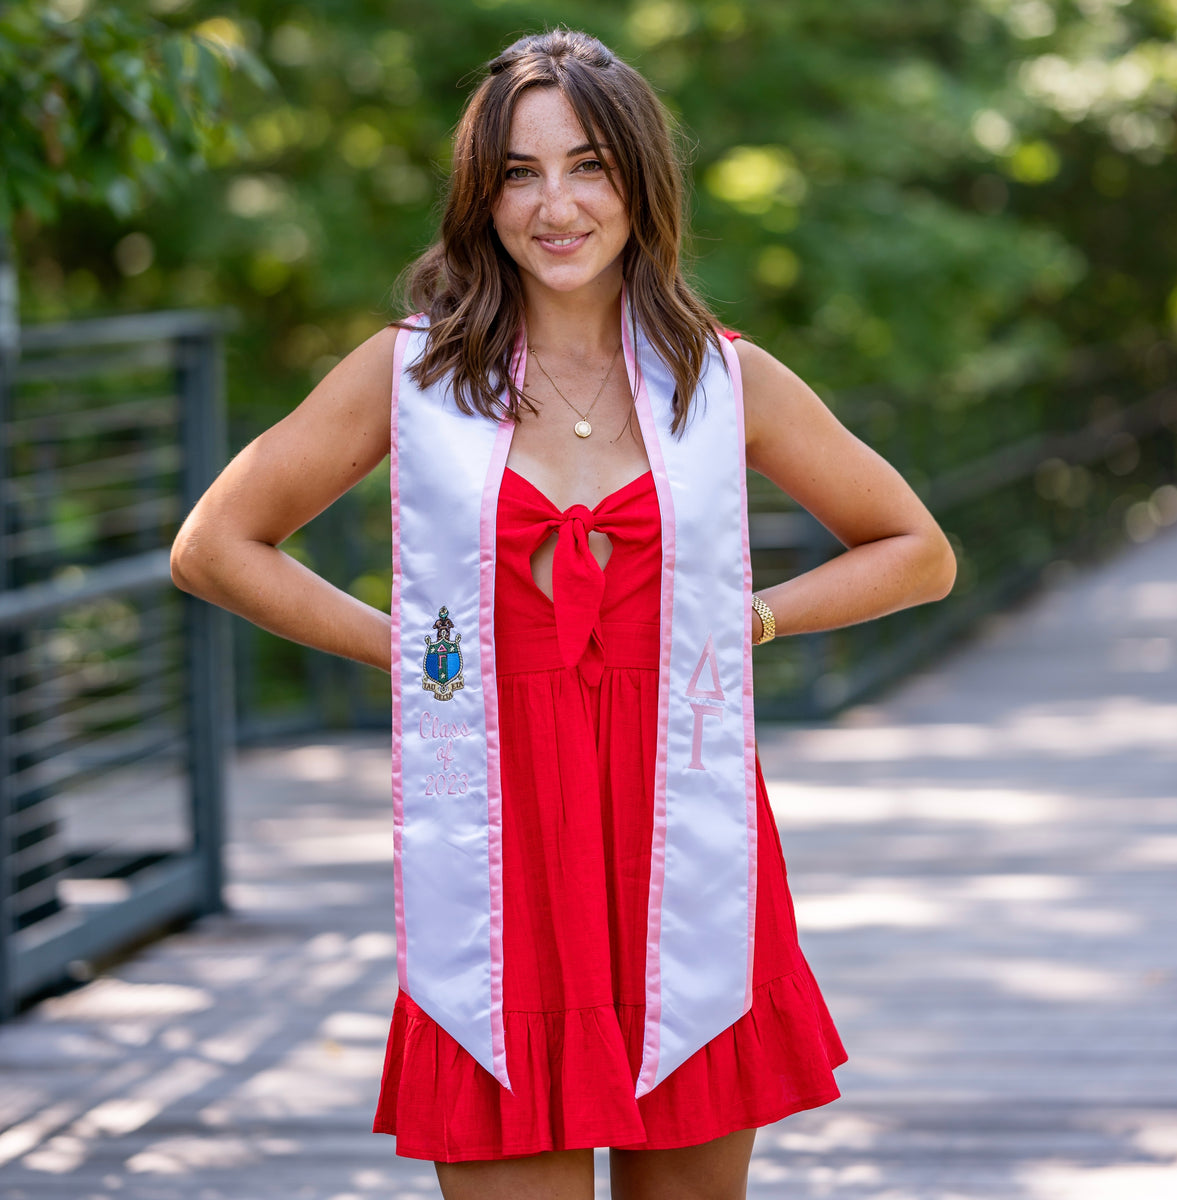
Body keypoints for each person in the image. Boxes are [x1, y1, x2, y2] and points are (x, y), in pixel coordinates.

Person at [170, 27, 957, 1200]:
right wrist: (411, 651)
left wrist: (749, 620)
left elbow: (919, 552)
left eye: (588, 166)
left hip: (680, 845)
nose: (556, 204)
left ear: (641, 183)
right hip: (495, 851)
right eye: (519, 173)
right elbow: (213, 546)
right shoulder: (413, 375)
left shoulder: (720, 379)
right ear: (480, 199)